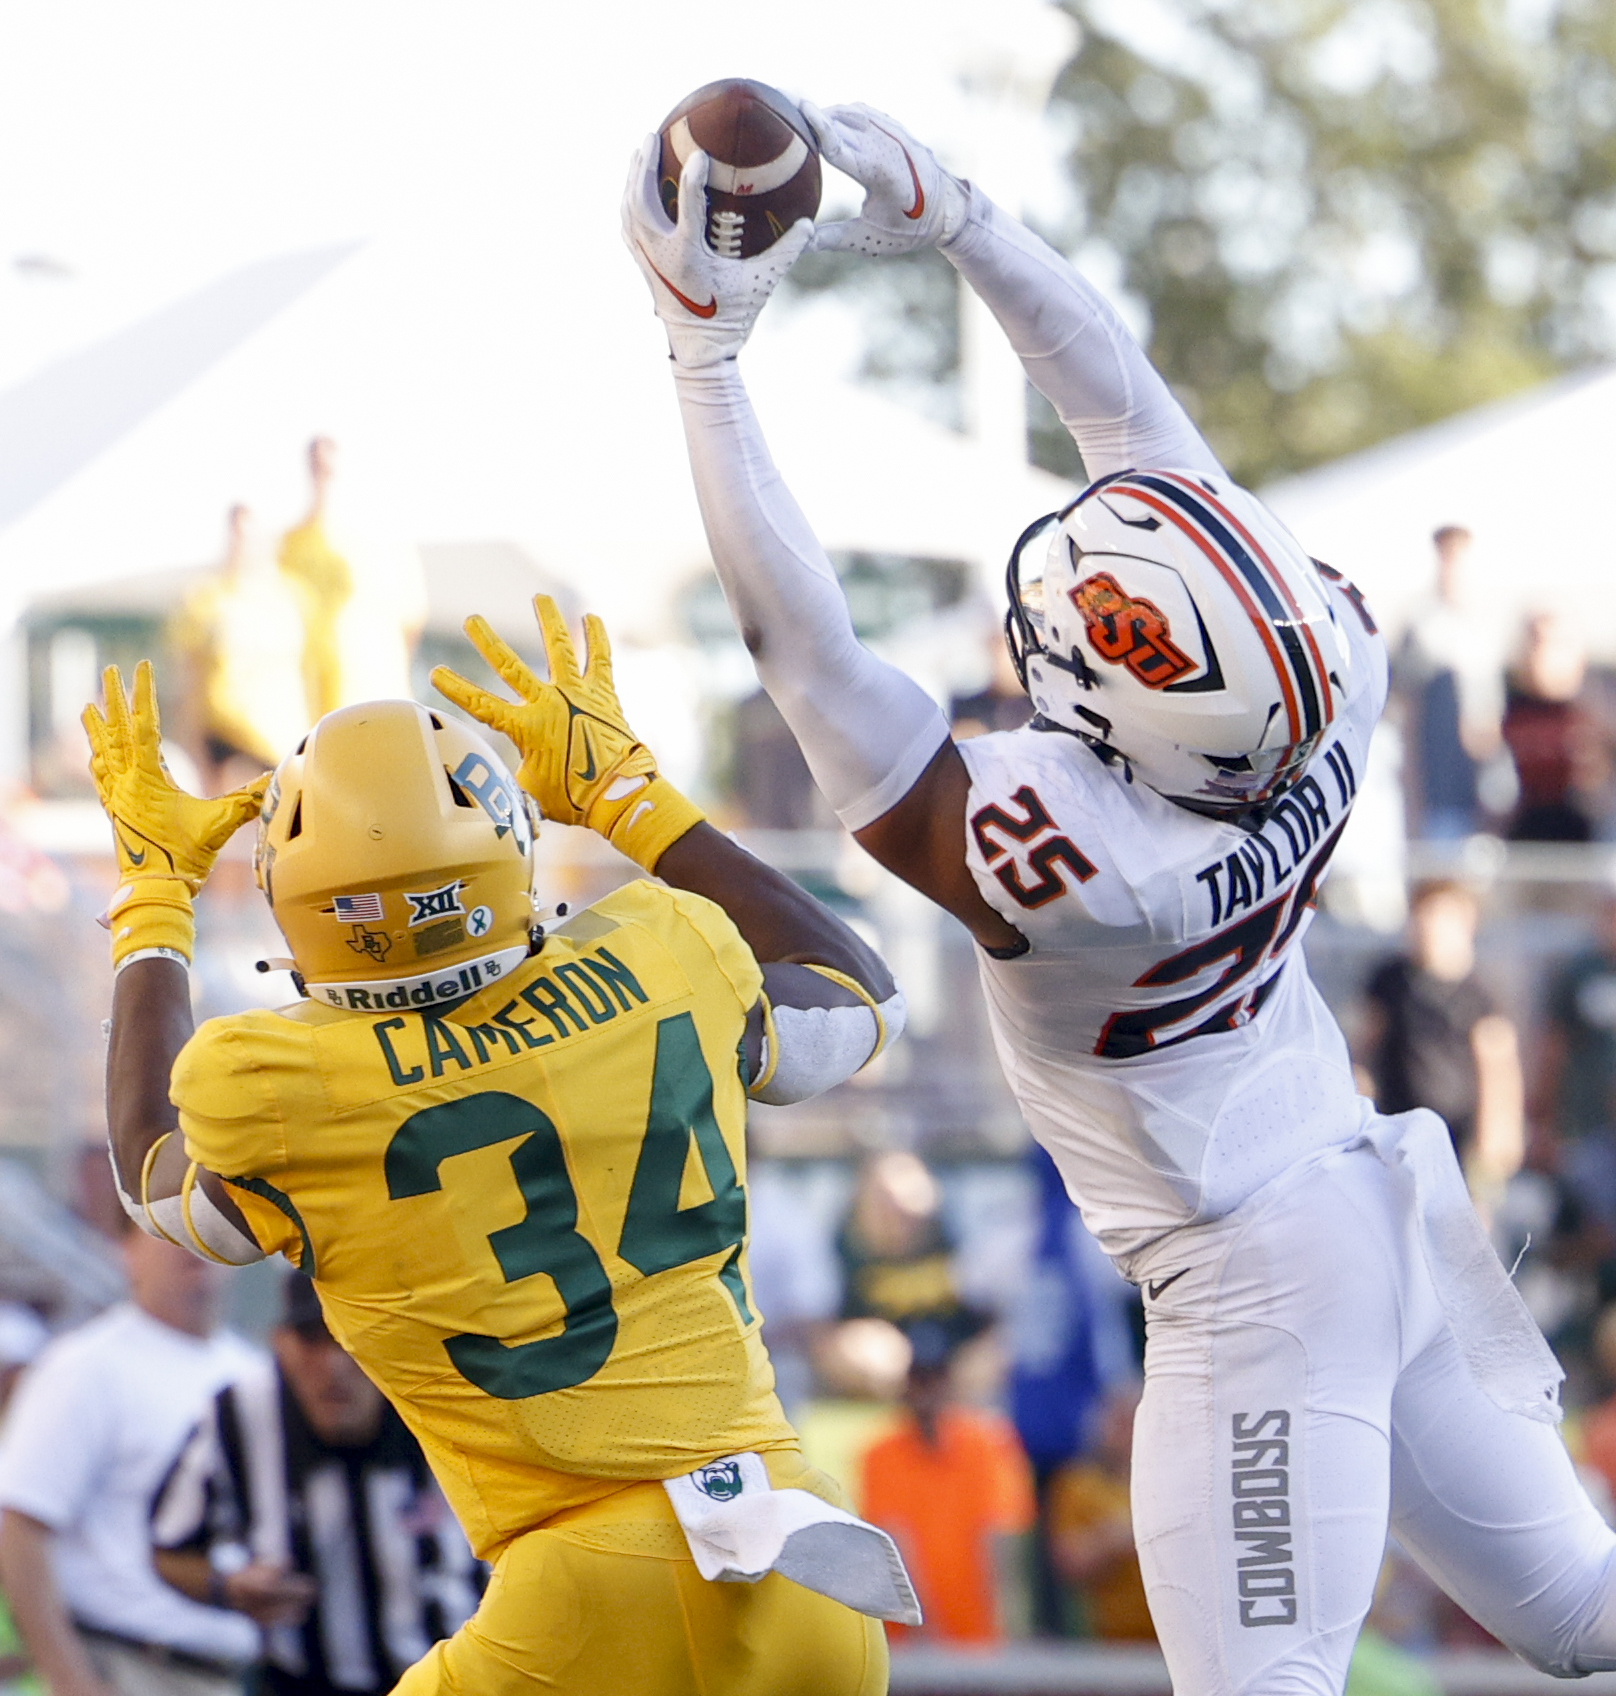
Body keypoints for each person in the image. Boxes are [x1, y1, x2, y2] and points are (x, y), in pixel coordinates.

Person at [623, 101, 1616, 1695]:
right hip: (1369, 1194)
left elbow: (805, 653)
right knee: (1580, 1610)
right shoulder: (1328, 670)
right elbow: (1133, 417)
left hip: (1254, 1272)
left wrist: (705, 359)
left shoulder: (1083, 868)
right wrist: (965, 220)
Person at [81, 598, 917, 1696]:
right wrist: (632, 799)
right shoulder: (661, 950)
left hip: (579, 1585)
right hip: (798, 1548)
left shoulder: (280, 1084)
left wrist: (153, 903)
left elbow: (155, 1179)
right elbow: (858, 997)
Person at [152, 1273, 482, 1696]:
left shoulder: (445, 1401)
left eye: (351, 1339)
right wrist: (228, 1587)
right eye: (314, 1339)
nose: (334, 1365)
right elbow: (167, 1547)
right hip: (302, 1682)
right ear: (281, 1343)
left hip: (456, 1681)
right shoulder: (241, 1415)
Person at [0, 1226, 260, 1696]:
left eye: (208, 1223)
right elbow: (20, 1528)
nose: (192, 1244)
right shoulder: (85, 1365)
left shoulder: (252, 1372)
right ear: (125, 1249)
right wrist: (70, 1681)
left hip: (231, 1671)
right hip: (126, 1665)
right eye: (167, 1229)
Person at [857, 1322, 1033, 1644]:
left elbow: (999, 1538)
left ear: (949, 1381)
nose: (927, 1390)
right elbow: (894, 1541)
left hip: (978, 1635)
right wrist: (926, 1630)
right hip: (913, 1641)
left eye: (934, 1378)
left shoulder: (988, 1444)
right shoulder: (879, 1453)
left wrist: (1004, 1629)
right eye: (919, 1379)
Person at [1360, 880, 1523, 1210]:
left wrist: (1496, 1139)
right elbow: (1365, 1048)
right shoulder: (1390, 980)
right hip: (1398, 1129)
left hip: (1459, 1136)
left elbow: (1498, 1068)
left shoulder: (1482, 991)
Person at [171, 505, 312, 791]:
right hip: (225, 735)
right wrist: (195, 748)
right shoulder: (205, 597)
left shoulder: (293, 598)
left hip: (278, 738)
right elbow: (189, 679)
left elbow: (307, 673)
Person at [1393, 526, 1504, 842]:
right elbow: (1407, 716)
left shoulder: (1484, 622)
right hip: (1435, 791)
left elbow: (1490, 715)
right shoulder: (1420, 625)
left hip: (1480, 789)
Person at [1047, 1383, 1154, 1642]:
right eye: (1119, 1421)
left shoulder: (1175, 1484)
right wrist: (1115, 1539)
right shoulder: (1079, 1485)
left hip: (1173, 1637)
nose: (1127, 1432)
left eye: (1134, 1421)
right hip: (1106, 1639)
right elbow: (1069, 1561)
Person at [1500, 610, 1612, 843]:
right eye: (1536, 643)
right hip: (1524, 840)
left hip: (1586, 843)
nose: (1543, 654)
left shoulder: (1596, 712)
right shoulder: (1508, 711)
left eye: (1557, 645)